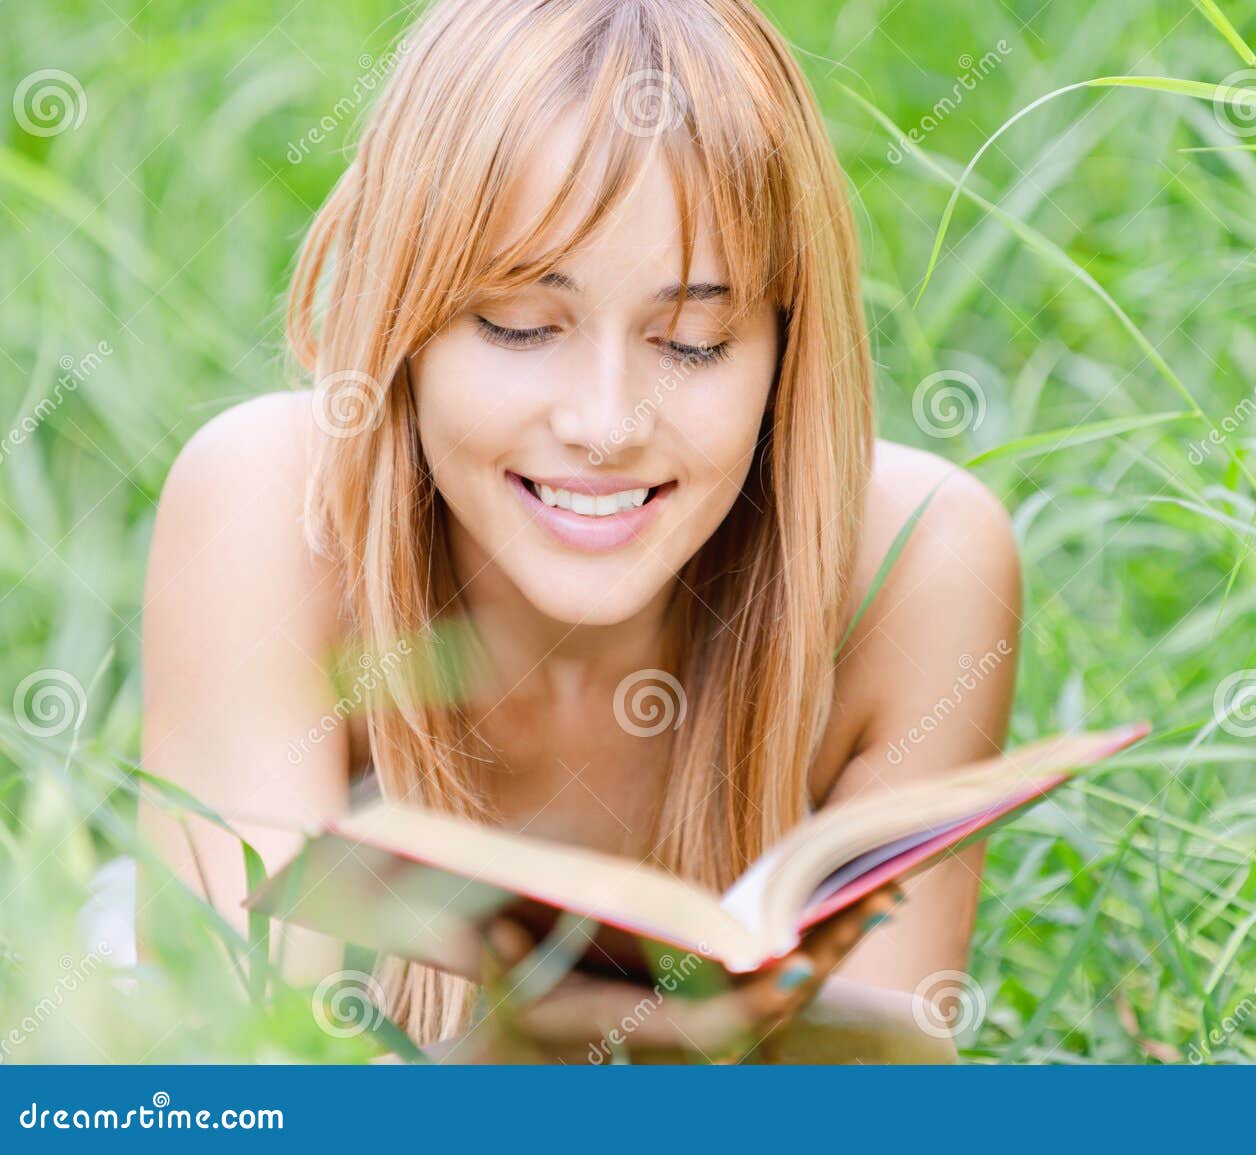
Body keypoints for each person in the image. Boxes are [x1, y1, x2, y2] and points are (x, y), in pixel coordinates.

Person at [138, 0, 1020, 1063]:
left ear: (786, 351)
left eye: (692, 340)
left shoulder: (916, 564)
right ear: (402, 324)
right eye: (519, 326)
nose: (606, 424)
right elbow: (231, 1090)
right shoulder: (273, 509)